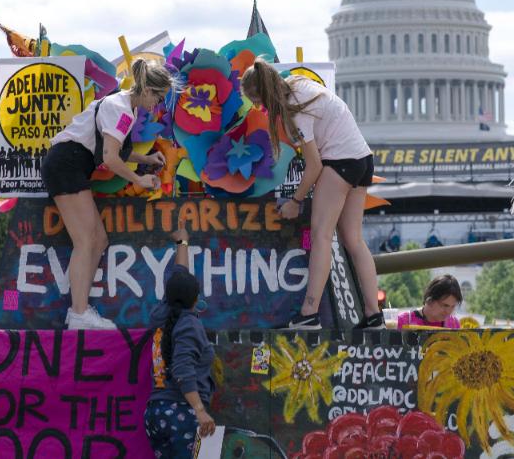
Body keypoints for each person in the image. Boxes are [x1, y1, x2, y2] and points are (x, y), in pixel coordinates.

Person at [241, 59, 382, 329]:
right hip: (363, 159)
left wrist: (295, 201)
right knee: (354, 240)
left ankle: (309, 313)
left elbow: (314, 165)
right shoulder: (298, 84)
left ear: (264, 94)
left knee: (320, 236)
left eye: (257, 102)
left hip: (340, 161)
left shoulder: (295, 110)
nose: (260, 109)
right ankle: (374, 314)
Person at [44, 58, 176, 329]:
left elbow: (119, 151)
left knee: (99, 240)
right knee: (85, 241)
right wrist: (139, 177)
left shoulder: (125, 106)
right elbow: (111, 159)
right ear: (148, 90)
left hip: (73, 164)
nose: (157, 105)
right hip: (65, 164)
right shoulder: (121, 108)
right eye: (158, 98)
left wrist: (148, 159)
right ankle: (79, 313)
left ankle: (79, 311)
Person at [145, 231, 216, 457]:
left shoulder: (162, 314)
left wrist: (182, 243)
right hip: (182, 414)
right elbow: (183, 370)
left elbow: (179, 274)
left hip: (157, 412)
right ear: (196, 300)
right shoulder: (188, 326)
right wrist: (200, 411)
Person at [397, 275, 462, 329]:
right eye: (445, 305)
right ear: (430, 300)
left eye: (453, 306)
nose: (448, 312)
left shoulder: (454, 324)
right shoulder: (403, 321)